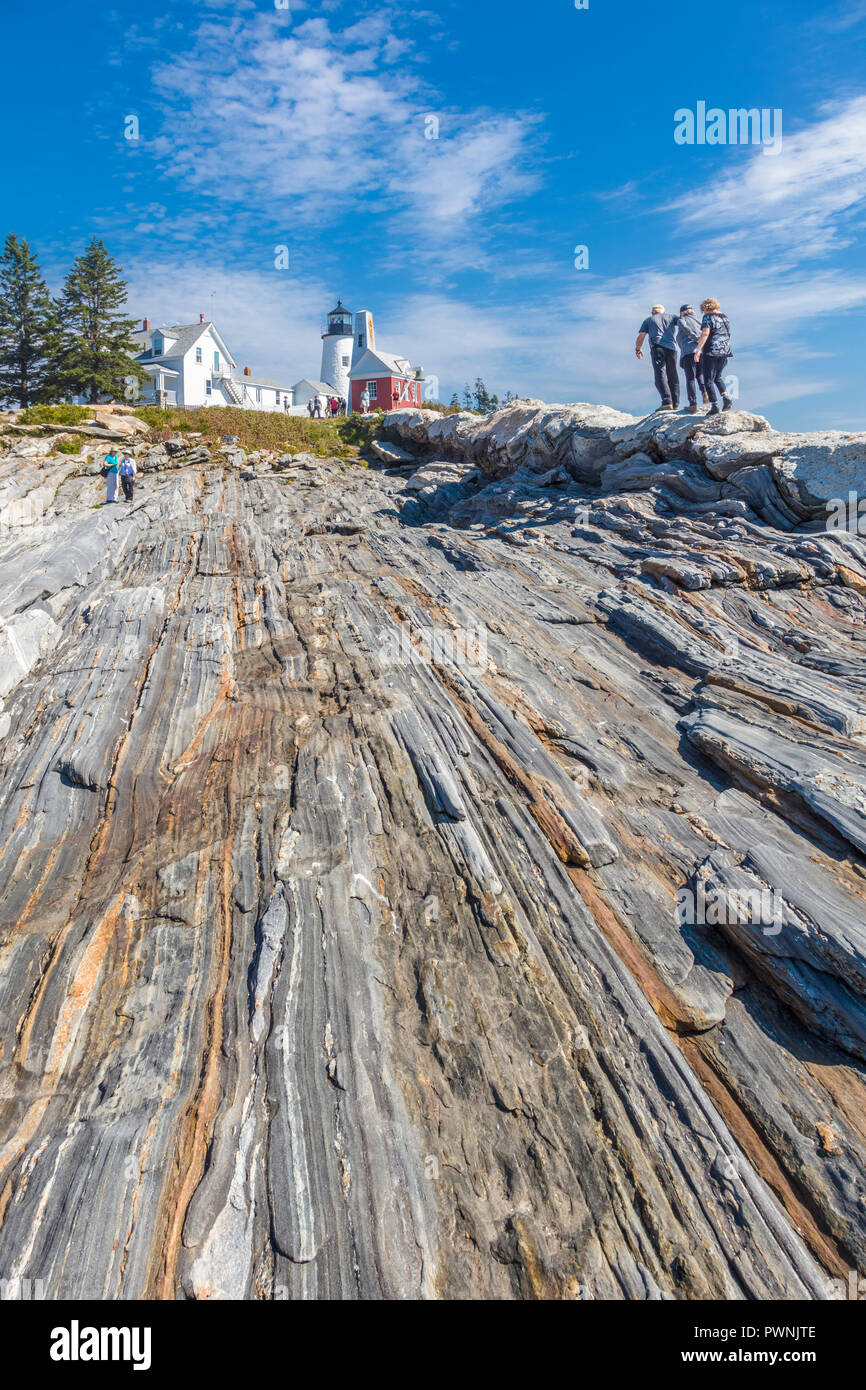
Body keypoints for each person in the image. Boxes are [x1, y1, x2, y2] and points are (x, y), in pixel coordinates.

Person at [635, 304, 680, 411]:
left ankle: (667, 402)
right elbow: (684, 324)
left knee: (660, 374)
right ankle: (675, 404)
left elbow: (641, 336)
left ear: (652, 313)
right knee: (673, 375)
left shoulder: (648, 320)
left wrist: (638, 349)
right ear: (664, 312)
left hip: (657, 347)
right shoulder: (672, 317)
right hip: (672, 349)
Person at [694, 298, 734, 415]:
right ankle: (726, 397)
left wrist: (698, 350)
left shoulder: (708, 317)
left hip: (712, 350)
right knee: (718, 377)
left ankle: (714, 406)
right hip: (725, 350)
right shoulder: (725, 317)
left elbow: (705, 333)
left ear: (705, 308)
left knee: (708, 380)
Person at [673, 304, 710, 412]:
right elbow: (707, 333)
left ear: (682, 312)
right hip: (701, 351)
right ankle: (705, 393)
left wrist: (696, 338)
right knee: (700, 375)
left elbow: (686, 329)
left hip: (689, 352)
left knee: (690, 378)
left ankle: (693, 404)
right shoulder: (700, 319)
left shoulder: (682, 320)